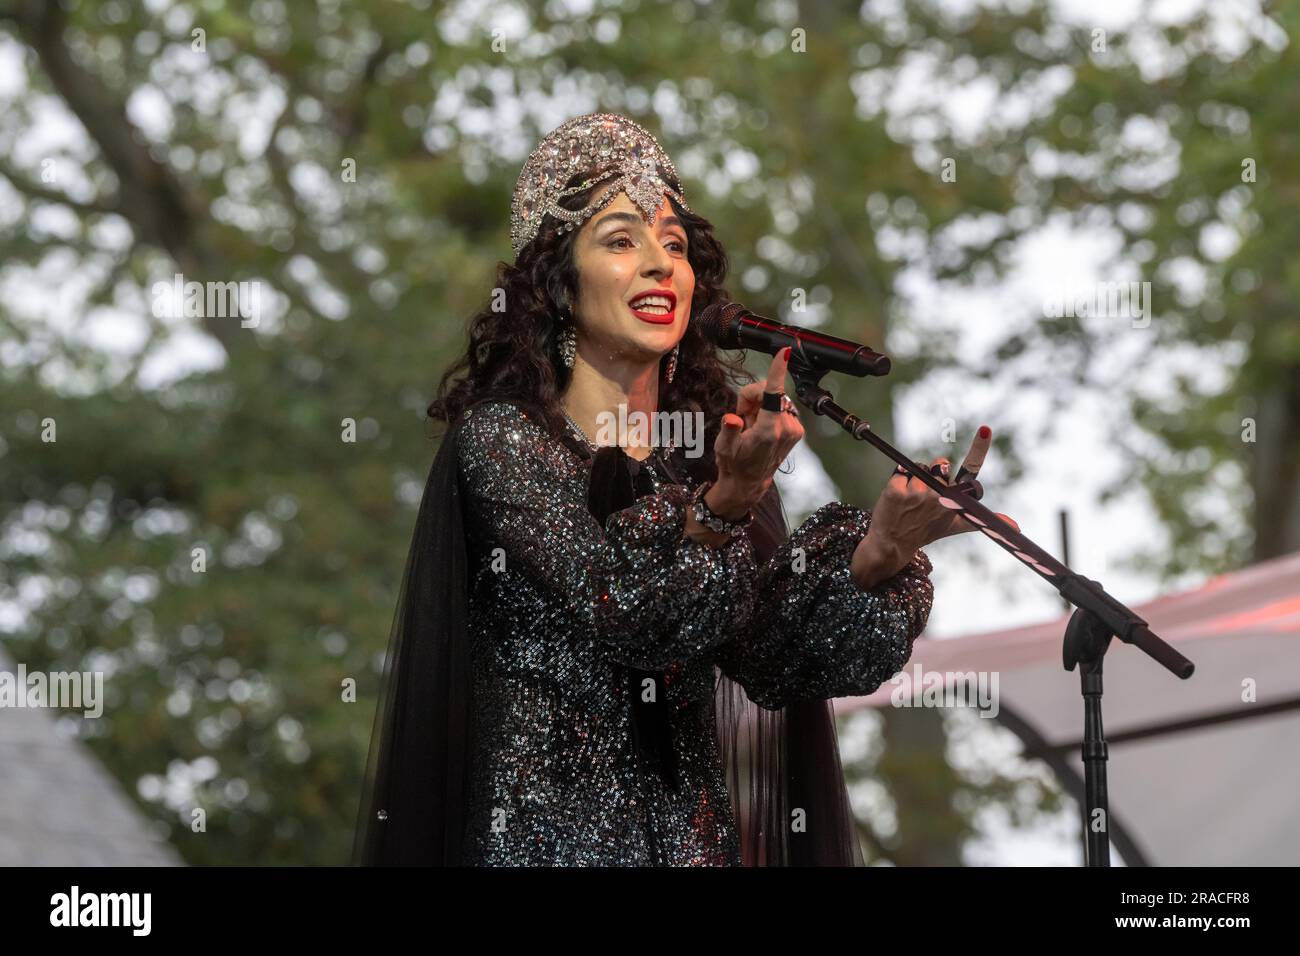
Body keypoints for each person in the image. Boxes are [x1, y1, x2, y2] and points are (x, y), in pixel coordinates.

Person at [354, 113, 1012, 866]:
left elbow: (772, 662)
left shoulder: (715, 455)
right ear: (559, 286)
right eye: (621, 240)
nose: (661, 265)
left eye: (674, 245)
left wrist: (876, 557)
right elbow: (624, 609)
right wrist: (723, 506)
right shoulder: (505, 441)